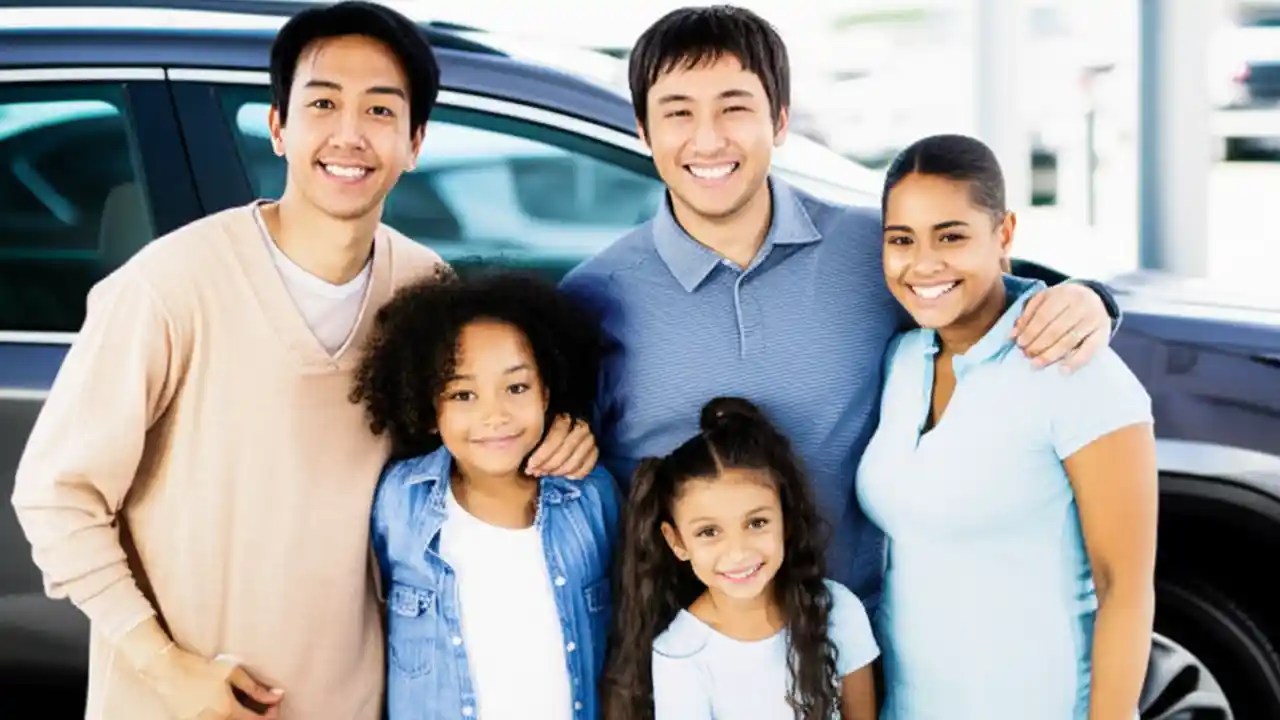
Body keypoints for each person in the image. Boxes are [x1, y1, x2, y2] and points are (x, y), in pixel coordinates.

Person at [10, 4, 594, 719]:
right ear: (280, 127)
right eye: (323, 103)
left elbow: (461, 461)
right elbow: (56, 498)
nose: (349, 133)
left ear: (414, 143)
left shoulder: (423, 291)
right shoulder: (168, 287)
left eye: (380, 110)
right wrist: (163, 668)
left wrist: (557, 440)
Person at [559, 5, 1121, 612]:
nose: (709, 138)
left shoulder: (871, 247)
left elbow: (993, 291)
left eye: (734, 107)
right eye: (678, 114)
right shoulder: (594, 297)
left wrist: (1091, 299)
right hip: (682, 666)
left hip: (866, 654)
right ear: (643, 130)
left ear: (779, 121)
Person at [856, 134, 1157, 719]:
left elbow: (1125, 589)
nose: (923, 264)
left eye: (951, 236)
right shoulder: (901, 361)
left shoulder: (1077, 371)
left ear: (1005, 235)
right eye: (902, 240)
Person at [352, 270, 620, 720]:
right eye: (463, 394)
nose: (494, 414)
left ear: (545, 393)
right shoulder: (399, 502)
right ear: (429, 408)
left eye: (516, 387)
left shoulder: (591, 496)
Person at [605, 397, 878, 720]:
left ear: (785, 519)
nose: (738, 551)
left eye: (757, 523)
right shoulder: (679, 652)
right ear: (676, 541)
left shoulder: (838, 609)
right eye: (709, 531)